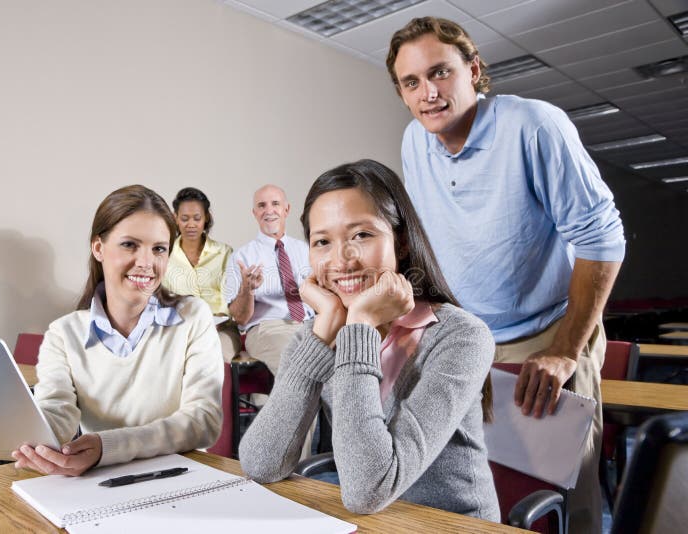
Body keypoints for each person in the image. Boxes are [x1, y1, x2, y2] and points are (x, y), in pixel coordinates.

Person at [387, 16, 625, 532]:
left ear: (473, 69)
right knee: (483, 490)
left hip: (548, 337)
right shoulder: (413, 141)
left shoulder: (535, 125)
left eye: (441, 73)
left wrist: (565, 349)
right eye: (412, 82)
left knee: (560, 494)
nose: (428, 92)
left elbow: (603, 238)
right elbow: (435, 244)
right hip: (469, 341)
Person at [0, 185, 223, 476]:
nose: (146, 262)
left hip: (183, 477)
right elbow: (55, 423)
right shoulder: (64, 334)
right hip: (100, 482)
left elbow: (203, 421)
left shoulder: (193, 317)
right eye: (130, 245)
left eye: (159, 248)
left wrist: (107, 447)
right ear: (98, 248)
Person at [239, 160, 499, 520]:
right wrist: (326, 331)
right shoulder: (318, 333)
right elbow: (260, 463)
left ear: (402, 242)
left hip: (448, 525)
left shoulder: (461, 337)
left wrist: (359, 323)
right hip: (372, 524)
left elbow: (367, 489)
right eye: (322, 242)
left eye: (361, 235)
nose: (342, 260)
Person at [223, 185, 314, 377]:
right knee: (297, 365)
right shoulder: (242, 257)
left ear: (286, 209)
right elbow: (240, 318)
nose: (269, 211)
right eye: (262, 206)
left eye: (275, 204)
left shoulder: (307, 251)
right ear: (254, 213)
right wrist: (248, 289)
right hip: (268, 329)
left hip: (311, 326)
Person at [163, 187, 240, 362]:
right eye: (184, 218)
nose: (191, 224)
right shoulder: (164, 255)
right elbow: (162, 299)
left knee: (210, 357)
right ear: (175, 219)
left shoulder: (224, 253)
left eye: (197, 218)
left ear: (206, 218)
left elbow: (231, 299)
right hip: (179, 330)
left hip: (221, 330)